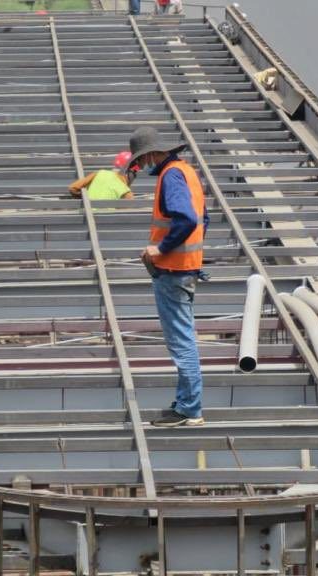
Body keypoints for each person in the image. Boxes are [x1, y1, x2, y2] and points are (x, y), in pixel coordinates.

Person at [127, 126, 208, 427]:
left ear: (150, 154)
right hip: (185, 267)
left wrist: (161, 249)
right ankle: (186, 402)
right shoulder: (186, 171)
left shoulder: (171, 175)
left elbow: (186, 219)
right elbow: (204, 219)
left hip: (173, 272)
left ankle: (189, 409)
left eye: (141, 159)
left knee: (181, 342)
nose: (142, 165)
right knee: (183, 338)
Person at [67, 150, 136, 201]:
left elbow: (72, 188)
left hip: (89, 211)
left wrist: (87, 198)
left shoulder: (99, 173)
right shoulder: (126, 192)